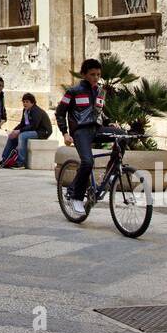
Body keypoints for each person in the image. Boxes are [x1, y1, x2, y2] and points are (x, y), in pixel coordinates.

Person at [56, 59, 106, 217]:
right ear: (84, 74)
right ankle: (77, 197)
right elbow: (60, 112)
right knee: (88, 162)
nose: (96, 78)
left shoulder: (100, 91)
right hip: (80, 131)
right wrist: (65, 132)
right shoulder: (73, 91)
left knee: (123, 137)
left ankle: (113, 174)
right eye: (92, 74)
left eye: (98, 74)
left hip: (97, 129)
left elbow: (102, 112)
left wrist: (113, 124)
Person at [0, 93, 53, 168]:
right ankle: (5, 159)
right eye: (24, 102)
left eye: (27, 102)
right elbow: (22, 124)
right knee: (12, 136)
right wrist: (14, 131)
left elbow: (34, 126)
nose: (25, 104)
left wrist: (19, 131)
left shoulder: (36, 111)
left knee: (22, 136)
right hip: (33, 130)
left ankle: (21, 162)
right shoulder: (25, 111)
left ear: (32, 102)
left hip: (42, 132)